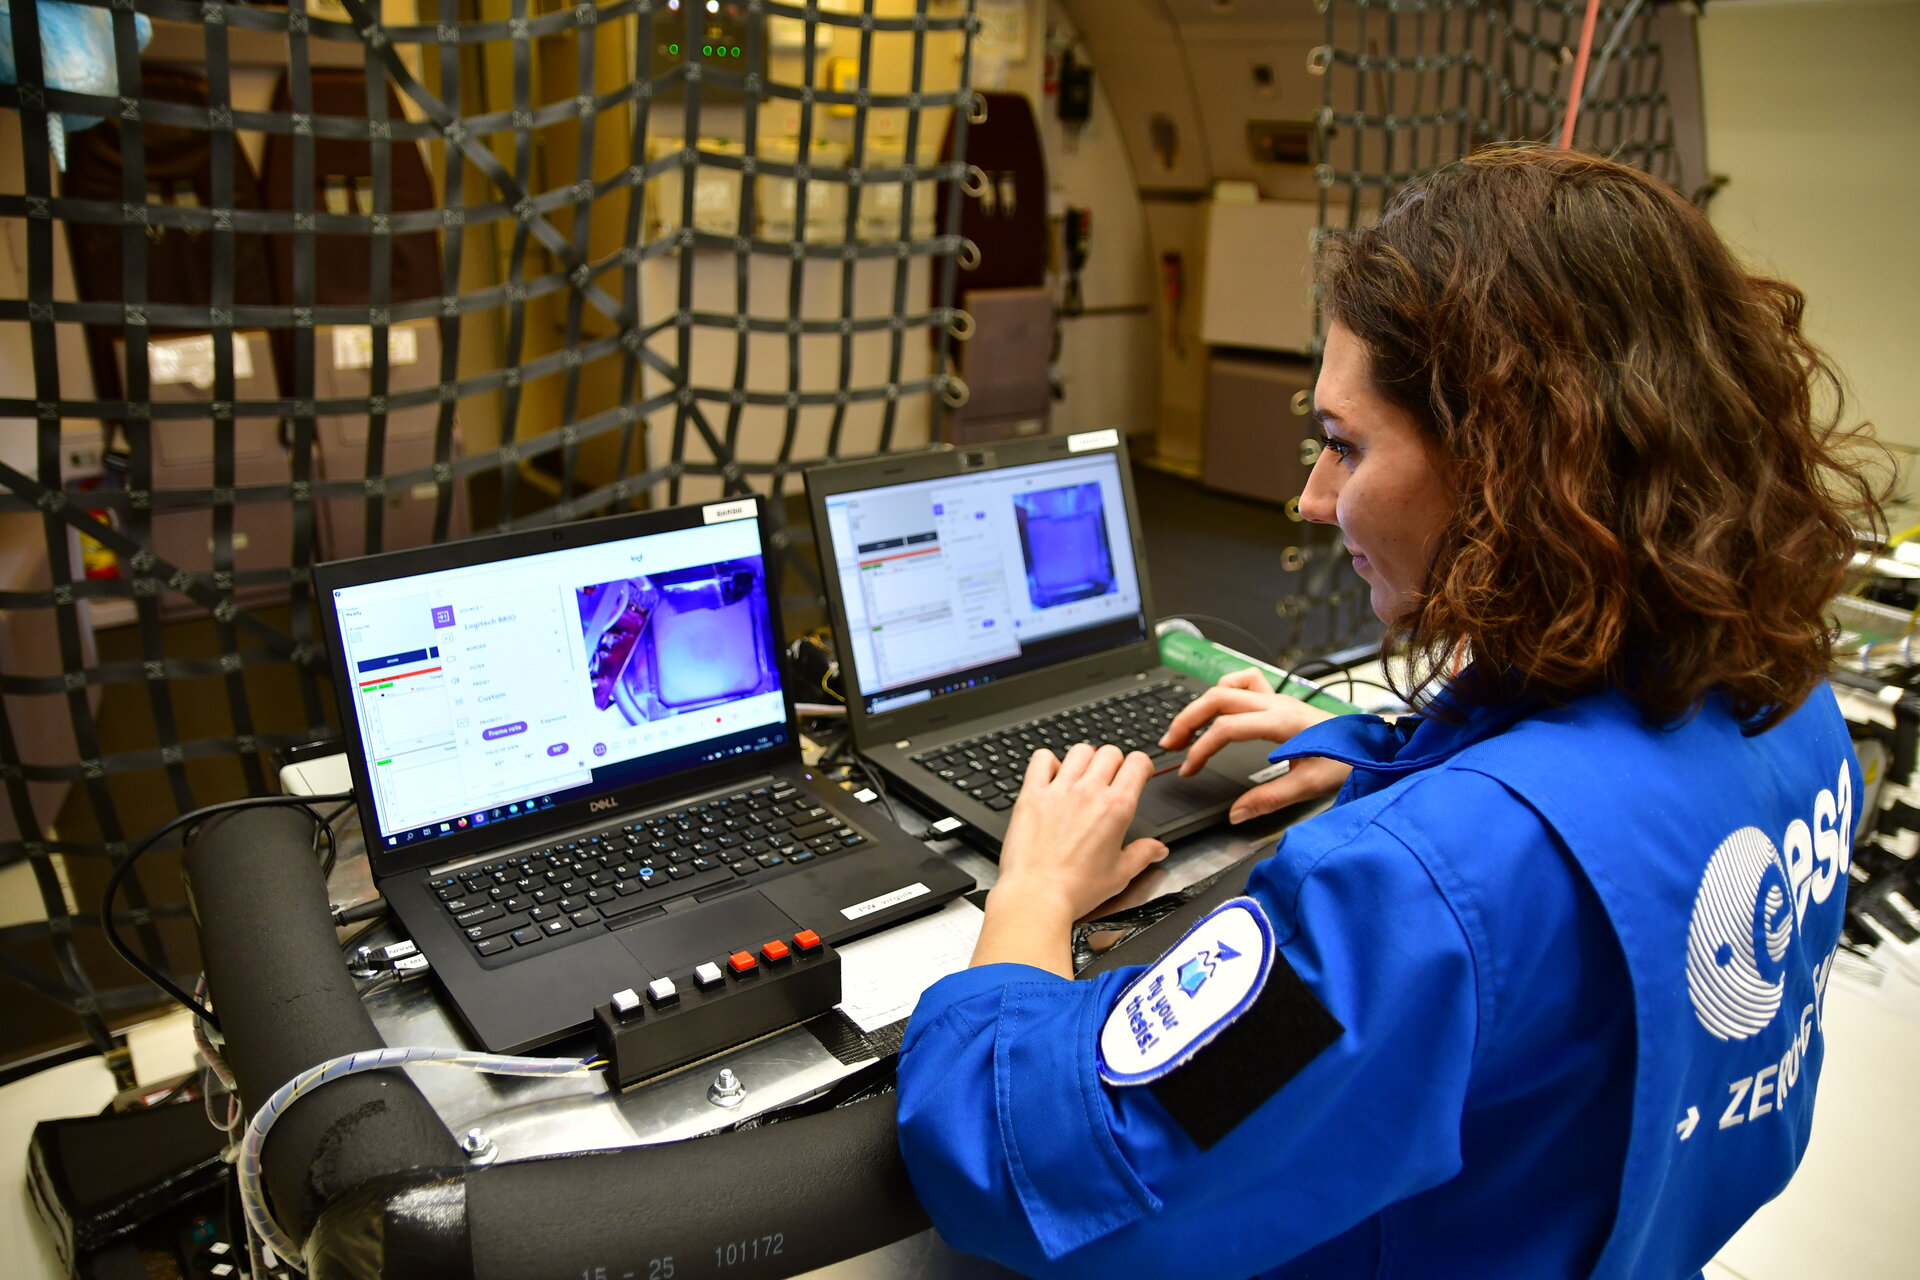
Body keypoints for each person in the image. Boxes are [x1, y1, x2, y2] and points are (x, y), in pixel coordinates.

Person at [893, 144, 1883, 1279]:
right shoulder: (1793, 710)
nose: (1316, 499)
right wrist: (1376, 757)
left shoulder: (1407, 902)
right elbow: (1585, 844)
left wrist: (1030, 895)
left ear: (1513, 463)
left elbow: (1036, 1163)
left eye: (1345, 444)